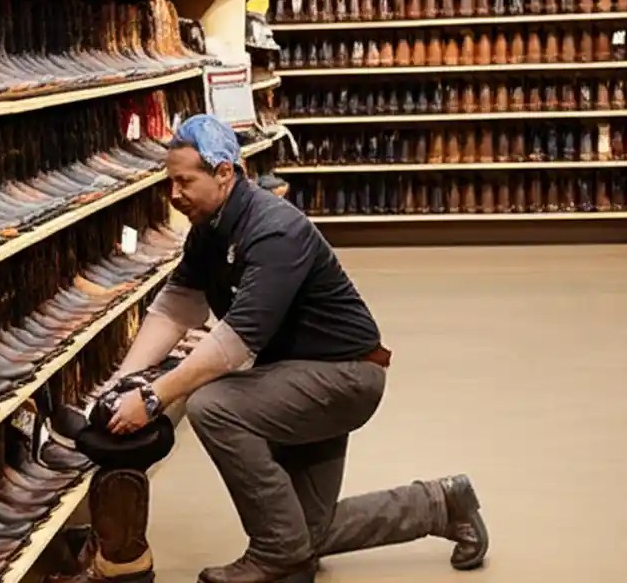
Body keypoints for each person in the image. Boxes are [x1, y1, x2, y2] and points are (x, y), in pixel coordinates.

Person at [105, 114, 489, 583]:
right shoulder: (209, 228)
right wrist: (123, 379)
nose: (174, 194)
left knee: (212, 405)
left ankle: (275, 553)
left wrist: (153, 397)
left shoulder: (273, 230)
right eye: (170, 182)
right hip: (297, 373)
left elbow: (233, 344)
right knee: (309, 531)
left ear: (224, 172)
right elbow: (176, 309)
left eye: (184, 181)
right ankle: (444, 503)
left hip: (345, 375)